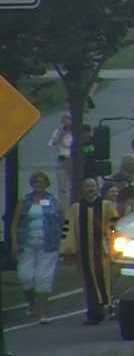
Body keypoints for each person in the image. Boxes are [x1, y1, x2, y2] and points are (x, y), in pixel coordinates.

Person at [60, 177, 121, 324]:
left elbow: (115, 227)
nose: (90, 188)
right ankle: (94, 312)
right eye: (87, 186)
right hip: (84, 252)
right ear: (83, 189)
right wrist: (68, 249)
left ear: (97, 188)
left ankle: (104, 308)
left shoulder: (106, 205)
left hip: (103, 251)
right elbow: (68, 230)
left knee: (105, 281)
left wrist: (115, 245)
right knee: (88, 283)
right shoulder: (75, 208)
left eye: (93, 186)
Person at [9, 172, 63, 323]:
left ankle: (43, 312)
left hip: (48, 245)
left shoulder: (54, 201)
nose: (39, 184)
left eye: (42, 182)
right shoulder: (24, 201)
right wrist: (14, 242)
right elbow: (15, 223)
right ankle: (32, 304)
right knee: (25, 277)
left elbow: (63, 222)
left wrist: (63, 243)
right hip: (26, 244)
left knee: (43, 278)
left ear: (47, 184)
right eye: (36, 182)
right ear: (32, 184)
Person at [47, 115, 73, 208]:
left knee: (73, 185)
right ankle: (64, 208)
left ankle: (74, 204)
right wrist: (62, 132)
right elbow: (53, 143)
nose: (67, 122)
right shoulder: (58, 131)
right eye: (65, 120)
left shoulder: (77, 132)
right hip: (62, 160)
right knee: (62, 187)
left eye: (69, 119)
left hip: (73, 160)